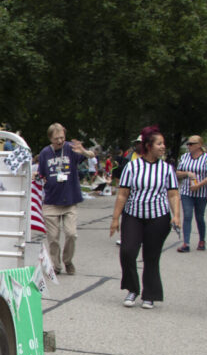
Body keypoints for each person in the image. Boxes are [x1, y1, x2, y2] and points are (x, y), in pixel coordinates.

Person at [109, 126, 180, 309]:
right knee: (127, 252)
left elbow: (173, 194)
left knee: (151, 257)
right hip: (133, 215)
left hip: (158, 217)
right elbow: (123, 193)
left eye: (163, 143)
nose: (163, 146)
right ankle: (132, 289)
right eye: (159, 143)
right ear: (148, 146)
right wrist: (116, 218)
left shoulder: (166, 169)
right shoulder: (132, 167)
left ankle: (150, 294)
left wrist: (176, 216)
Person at [37, 123, 96, 274]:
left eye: (62, 137)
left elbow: (91, 155)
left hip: (70, 200)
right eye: (56, 138)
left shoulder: (70, 148)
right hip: (51, 201)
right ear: (50, 138)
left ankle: (68, 261)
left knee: (71, 234)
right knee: (53, 238)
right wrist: (37, 176)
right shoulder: (45, 153)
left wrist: (83, 151)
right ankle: (56, 266)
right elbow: (41, 173)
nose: (60, 141)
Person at [174, 134, 207, 252]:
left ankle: (202, 240)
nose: (189, 146)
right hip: (186, 192)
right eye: (188, 143)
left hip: (201, 193)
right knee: (187, 216)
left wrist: (199, 184)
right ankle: (186, 243)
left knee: (199, 217)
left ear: (199, 145)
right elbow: (177, 172)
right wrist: (187, 173)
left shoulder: (205, 158)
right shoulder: (185, 157)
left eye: (191, 144)